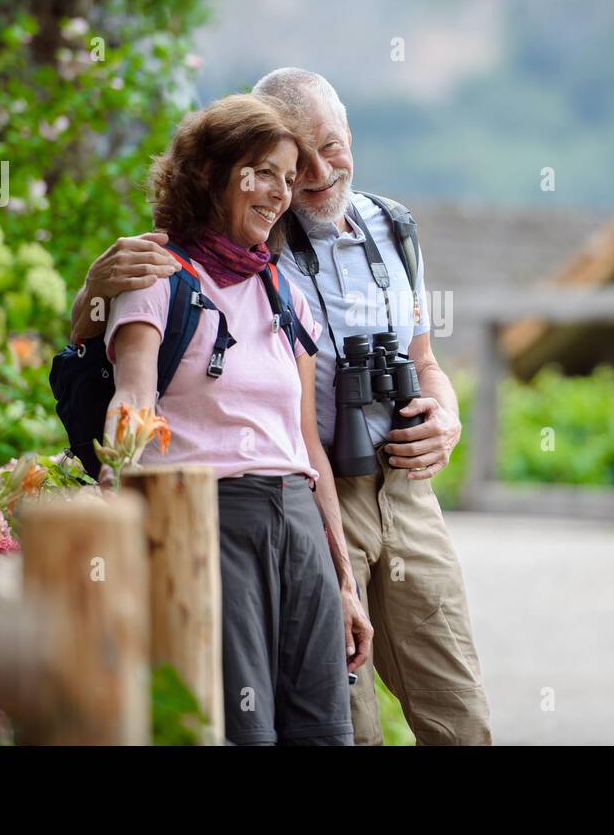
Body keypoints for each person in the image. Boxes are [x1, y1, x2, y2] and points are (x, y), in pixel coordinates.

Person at [72, 71, 492, 746]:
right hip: (255, 501)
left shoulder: (384, 233)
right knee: (323, 723)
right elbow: (132, 377)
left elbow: (418, 368)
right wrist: (114, 485)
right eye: (278, 168)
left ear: (351, 136)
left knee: (453, 707)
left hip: (370, 492)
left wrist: (447, 416)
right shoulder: (217, 256)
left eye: (324, 151)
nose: (308, 179)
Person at [99, 93, 371, 745]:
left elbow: (308, 445)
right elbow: (133, 394)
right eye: (261, 172)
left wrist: (344, 580)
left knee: (323, 732)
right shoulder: (157, 275)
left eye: (287, 176)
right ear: (212, 172)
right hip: (206, 518)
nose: (280, 192)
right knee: (239, 728)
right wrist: (118, 484)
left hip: (299, 523)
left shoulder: (284, 290)